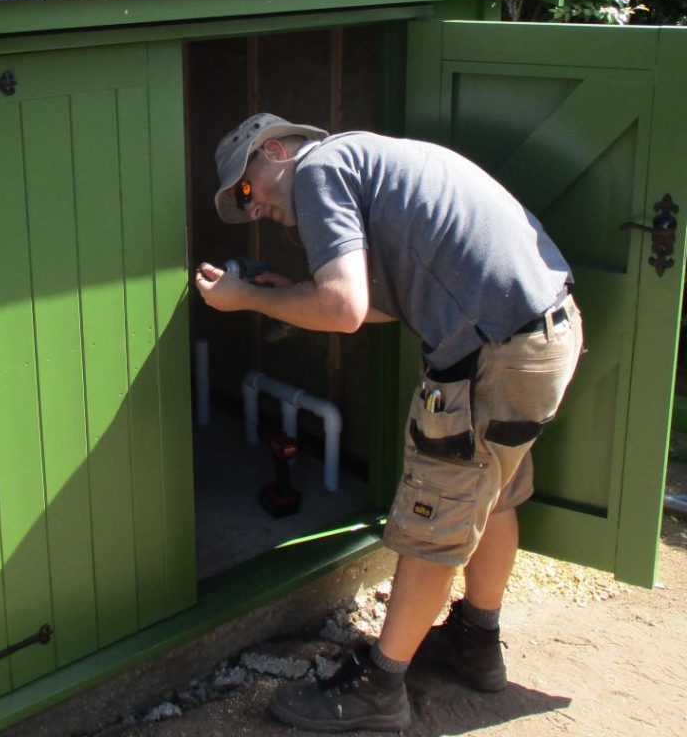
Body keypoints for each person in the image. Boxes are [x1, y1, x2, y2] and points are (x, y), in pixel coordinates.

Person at [194, 113, 583, 733]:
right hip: (537, 338)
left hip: (492, 354)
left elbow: (342, 309)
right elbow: (377, 303)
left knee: (434, 512)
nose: (253, 209)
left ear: (274, 150)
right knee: (494, 492)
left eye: (248, 191)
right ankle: (477, 644)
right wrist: (293, 290)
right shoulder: (363, 159)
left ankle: (381, 687)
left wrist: (249, 299)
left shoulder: (318, 170)